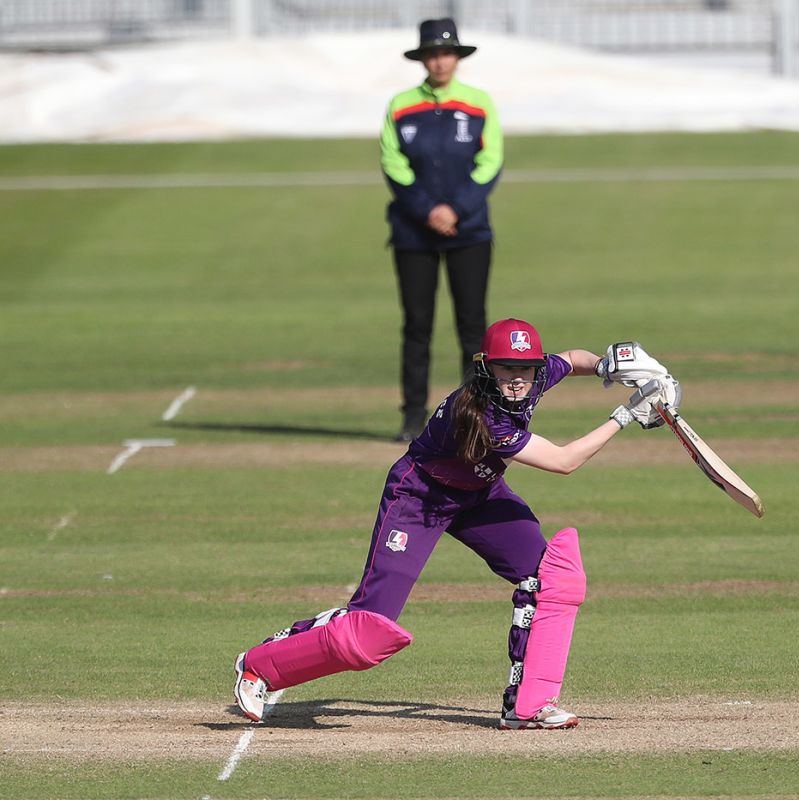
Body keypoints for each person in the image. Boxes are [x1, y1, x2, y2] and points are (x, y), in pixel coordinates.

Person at [232, 318, 680, 729]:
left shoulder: (534, 374)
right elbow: (563, 462)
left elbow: (571, 359)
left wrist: (610, 364)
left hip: (480, 494)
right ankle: (261, 666)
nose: (517, 379)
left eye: (525, 369)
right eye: (506, 369)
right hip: (420, 496)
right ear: (485, 367)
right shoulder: (480, 415)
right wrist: (626, 415)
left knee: (555, 577)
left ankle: (528, 705)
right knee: (368, 630)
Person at [381, 18, 504, 442]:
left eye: (447, 53)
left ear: (457, 57)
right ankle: (413, 416)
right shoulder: (400, 105)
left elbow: (490, 163)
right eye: (432, 53)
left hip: (468, 230)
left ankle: (476, 416)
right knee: (417, 325)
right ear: (422, 59)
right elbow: (393, 163)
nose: (440, 61)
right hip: (414, 232)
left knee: (472, 326)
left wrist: (455, 209)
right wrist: (428, 210)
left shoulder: (478, 102)